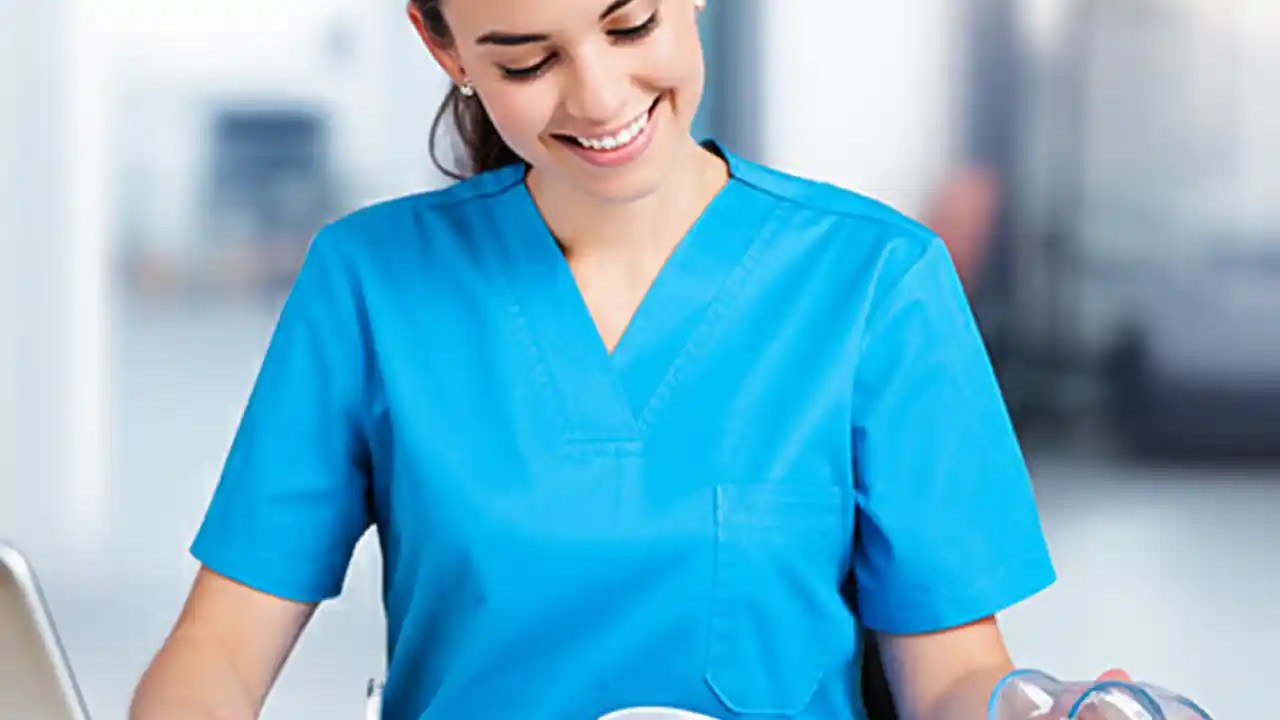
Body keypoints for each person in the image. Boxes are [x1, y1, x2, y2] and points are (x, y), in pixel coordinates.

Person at [129, 1, 1113, 718]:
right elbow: (220, 650)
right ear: (444, 47)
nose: (601, 99)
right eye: (528, 62)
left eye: (631, 25)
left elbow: (947, 678)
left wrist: (1039, 710)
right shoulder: (369, 283)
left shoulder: (876, 281)